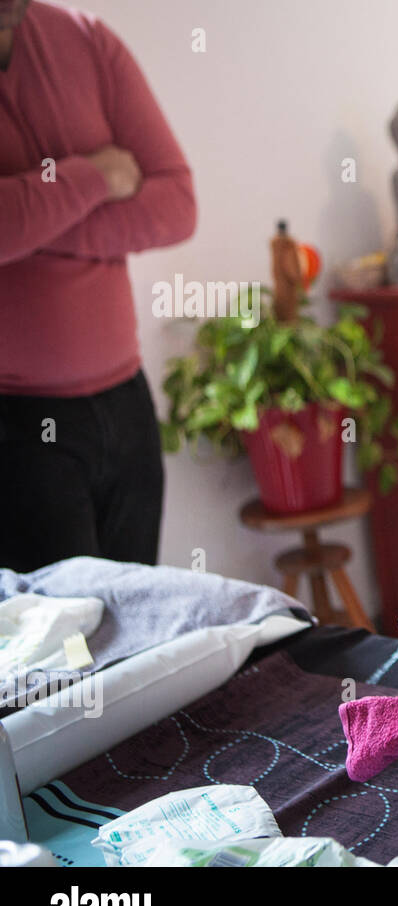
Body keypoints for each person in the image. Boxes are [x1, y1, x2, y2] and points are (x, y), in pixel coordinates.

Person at [0, 1, 196, 572]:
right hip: (17, 423)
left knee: (138, 633)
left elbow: (177, 205)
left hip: (125, 403)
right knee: (61, 651)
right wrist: (95, 176)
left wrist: (31, 218)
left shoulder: (85, 39)